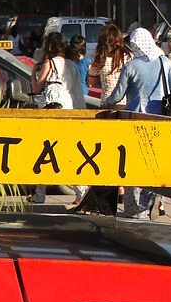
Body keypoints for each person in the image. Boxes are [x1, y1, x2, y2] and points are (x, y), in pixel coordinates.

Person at [102, 27, 171, 218]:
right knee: (153, 165)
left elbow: (117, 95)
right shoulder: (164, 62)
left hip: (136, 124)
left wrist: (107, 103)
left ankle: (135, 209)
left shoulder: (131, 66)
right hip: (160, 123)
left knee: (134, 166)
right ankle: (152, 202)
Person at [30, 31, 85, 205]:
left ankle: (40, 193)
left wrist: (33, 73)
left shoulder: (50, 63)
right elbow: (77, 92)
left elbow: (37, 88)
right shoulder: (72, 65)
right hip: (69, 113)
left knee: (46, 151)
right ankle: (81, 191)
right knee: (66, 152)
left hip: (52, 113)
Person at [87, 22, 131, 103]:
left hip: (107, 102)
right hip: (127, 102)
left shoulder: (101, 60)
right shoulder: (128, 57)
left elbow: (91, 81)